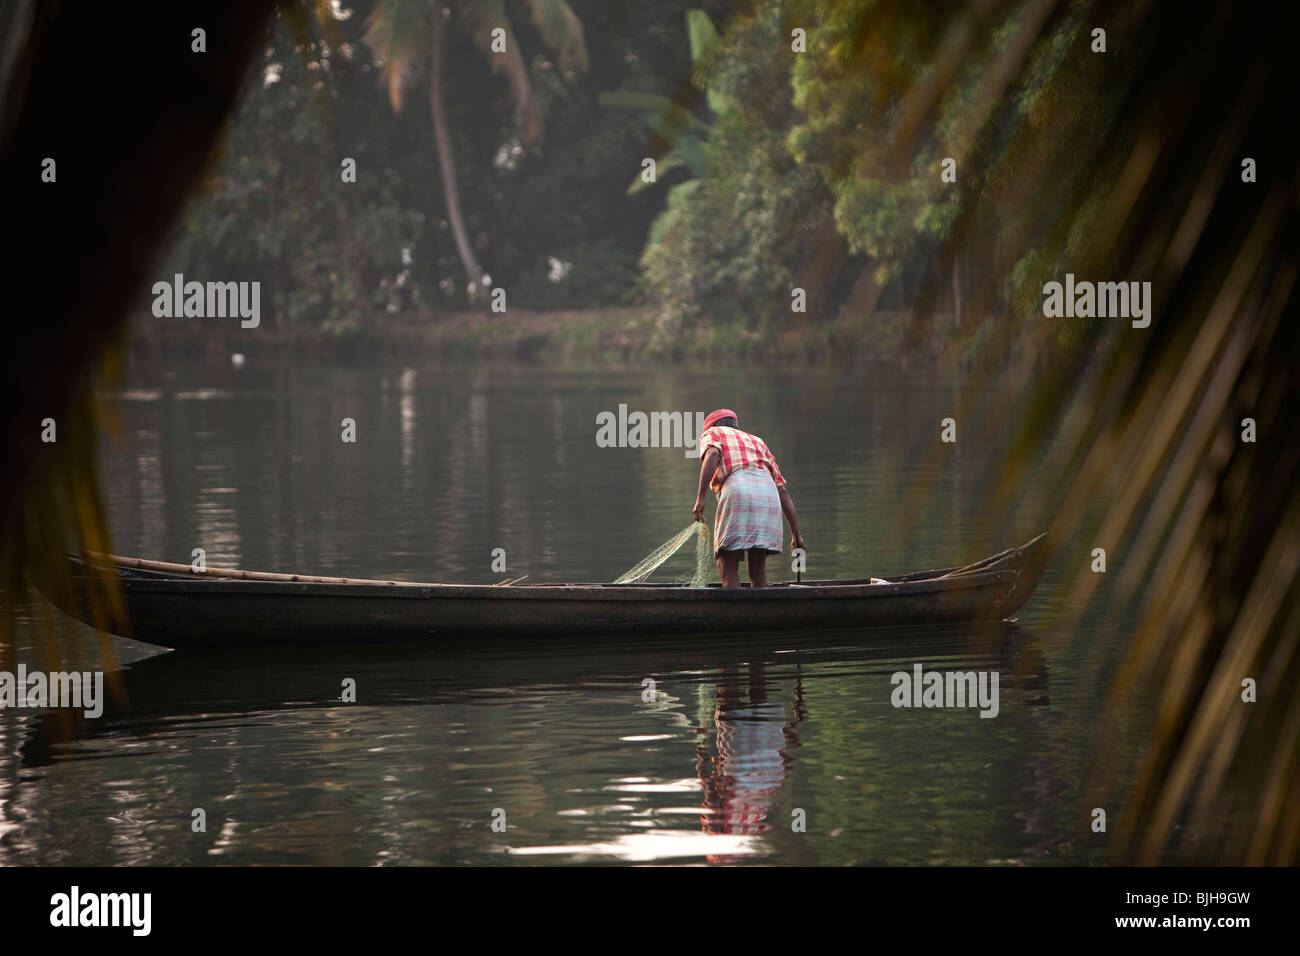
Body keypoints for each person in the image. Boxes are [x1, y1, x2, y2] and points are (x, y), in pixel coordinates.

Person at [691, 409, 805, 588]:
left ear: (711, 426)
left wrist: (700, 497)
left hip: (739, 491)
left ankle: (735, 613)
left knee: (726, 565)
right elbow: (782, 490)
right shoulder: (757, 441)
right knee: (757, 569)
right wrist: (796, 534)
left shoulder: (713, 433)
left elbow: (712, 454)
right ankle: (760, 612)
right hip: (769, 496)